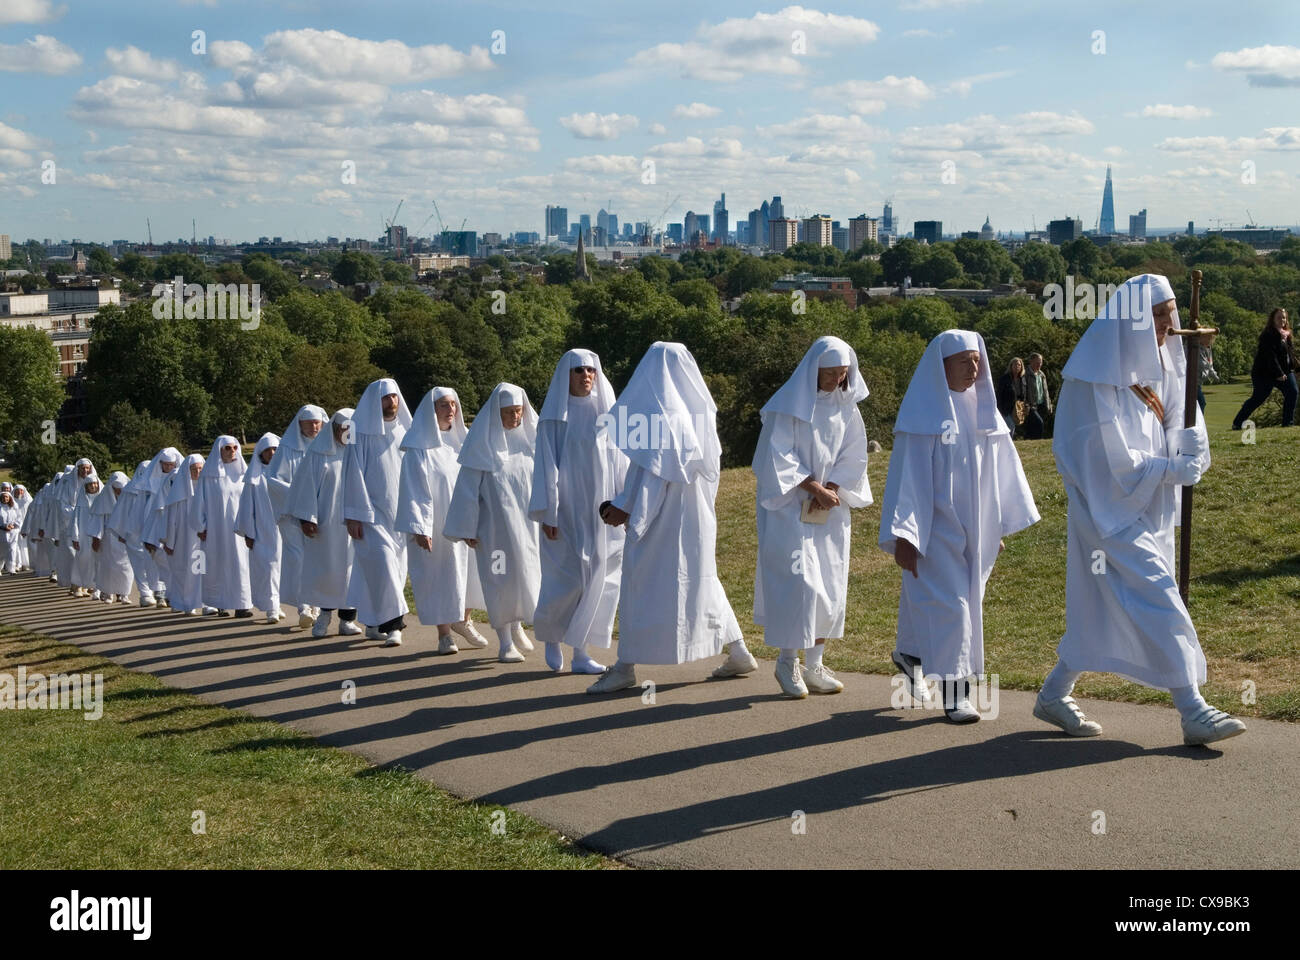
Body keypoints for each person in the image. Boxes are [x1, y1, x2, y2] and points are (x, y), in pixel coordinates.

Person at [1038, 273, 1247, 746]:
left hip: (1150, 507)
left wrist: (1192, 453)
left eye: (1170, 313)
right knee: (1158, 593)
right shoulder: (1091, 377)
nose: (1167, 325)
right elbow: (1106, 462)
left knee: (1101, 606)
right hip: (1106, 513)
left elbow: (1180, 421)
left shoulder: (1164, 365)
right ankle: (1192, 708)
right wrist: (1172, 469)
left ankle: (1054, 693)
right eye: (1157, 314)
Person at [879, 329, 1040, 722]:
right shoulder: (923, 413)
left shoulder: (983, 410)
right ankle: (956, 694)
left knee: (950, 602)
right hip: (935, 530)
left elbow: (1002, 473)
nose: (974, 368)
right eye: (964, 361)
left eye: (976, 360)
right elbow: (909, 479)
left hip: (976, 531)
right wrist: (906, 534)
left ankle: (911, 653)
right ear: (942, 365)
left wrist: (996, 527)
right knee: (954, 607)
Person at [590, 342, 755, 694]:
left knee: (638, 583)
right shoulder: (700, 412)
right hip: (695, 516)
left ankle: (625, 666)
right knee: (701, 579)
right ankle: (739, 649)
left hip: (663, 520)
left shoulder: (661, 416)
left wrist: (626, 508)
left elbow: (651, 473)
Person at [753, 336, 872, 698]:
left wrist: (832, 487)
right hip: (790, 506)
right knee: (800, 583)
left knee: (830, 587)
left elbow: (855, 453)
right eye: (830, 373)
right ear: (812, 372)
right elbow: (778, 455)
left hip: (829, 512)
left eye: (842, 373)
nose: (837, 379)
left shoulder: (847, 407)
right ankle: (787, 661)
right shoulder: (787, 406)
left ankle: (815, 662)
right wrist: (813, 487)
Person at [529, 350, 627, 674]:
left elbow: (620, 462)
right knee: (567, 580)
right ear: (566, 376)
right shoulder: (555, 418)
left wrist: (624, 505)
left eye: (590, 370)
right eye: (578, 370)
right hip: (566, 512)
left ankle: (581, 652)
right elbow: (545, 467)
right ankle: (552, 636)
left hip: (601, 514)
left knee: (600, 578)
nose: (585, 375)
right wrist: (549, 513)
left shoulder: (609, 416)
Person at [444, 383, 542, 663]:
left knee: (525, 577)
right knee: (500, 581)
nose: (515, 417)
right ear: (496, 414)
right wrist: (467, 528)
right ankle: (505, 641)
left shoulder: (530, 446)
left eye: (519, 411)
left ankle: (517, 624)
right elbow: (466, 492)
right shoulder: (481, 449)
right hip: (495, 534)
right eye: (509, 412)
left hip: (527, 531)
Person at [397, 387, 489, 655]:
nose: (450, 410)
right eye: (443, 405)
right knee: (440, 575)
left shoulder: (465, 442)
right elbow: (413, 488)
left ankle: (464, 619)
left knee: (471, 572)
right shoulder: (419, 447)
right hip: (435, 522)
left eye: (453, 405)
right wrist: (419, 527)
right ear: (431, 410)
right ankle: (444, 634)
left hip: (466, 519)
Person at [344, 379, 413, 646]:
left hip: (401, 515)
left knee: (391, 571)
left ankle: (373, 622)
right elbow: (352, 474)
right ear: (375, 402)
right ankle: (395, 625)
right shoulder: (358, 434)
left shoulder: (408, 431)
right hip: (370, 514)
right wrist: (353, 514)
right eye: (386, 398)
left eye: (394, 397)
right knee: (383, 566)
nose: (391, 402)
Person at [288, 408, 362, 637]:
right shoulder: (318, 454)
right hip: (326, 524)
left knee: (351, 572)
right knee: (328, 570)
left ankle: (348, 620)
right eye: (343, 429)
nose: (347, 434)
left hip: (354, 523)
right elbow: (305, 488)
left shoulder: (360, 453)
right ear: (334, 429)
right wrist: (306, 517)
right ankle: (324, 616)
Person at [265, 404, 327, 629]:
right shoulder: (286, 449)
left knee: (319, 558)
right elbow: (274, 481)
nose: (314, 426)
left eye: (317, 422)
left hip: (321, 512)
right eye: (309, 422)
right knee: (298, 558)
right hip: (292, 515)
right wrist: (301, 499)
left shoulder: (326, 447)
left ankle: (318, 606)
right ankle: (304, 607)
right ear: (299, 424)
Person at [192, 435, 252, 618]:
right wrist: (200, 527)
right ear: (219, 450)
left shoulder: (243, 473)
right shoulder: (208, 477)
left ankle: (242, 604)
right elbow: (198, 504)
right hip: (215, 531)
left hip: (239, 530)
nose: (232, 451)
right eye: (227, 448)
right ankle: (219, 604)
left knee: (241, 565)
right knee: (216, 565)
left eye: (235, 447)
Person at [235, 432, 284, 624]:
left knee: (290, 569)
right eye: (267, 450)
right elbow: (247, 507)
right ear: (260, 454)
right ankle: (273, 607)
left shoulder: (286, 471)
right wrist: (248, 532)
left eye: (275, 449)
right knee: (269, 568)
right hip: (264, 530)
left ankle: (297, 605)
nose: (271, 453)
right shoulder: (254, 477)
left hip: (287, 528)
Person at [1232, 308, 1297, 429]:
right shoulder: (1267, 335)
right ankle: (1237, 423)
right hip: (1264, 373)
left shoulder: (1286, 334)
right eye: (1279, 317)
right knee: (1258, 398)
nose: (1282, 319)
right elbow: (1270, 356)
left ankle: (1288, 423)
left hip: (1284, 371)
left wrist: (1295, 369)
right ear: (1272, 319)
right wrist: (1278, 373)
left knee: (1292, 392)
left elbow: (1289, 354)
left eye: (1284, 317)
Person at [163, 454, 210, 616]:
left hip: (202, 539)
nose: (197, 472)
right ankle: (185, 602)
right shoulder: (179, 494)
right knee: (184, 572)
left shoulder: (208, 489)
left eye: (200, 469)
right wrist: (169, 542)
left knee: (202, 570)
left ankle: (204, 603)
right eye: (193, 469)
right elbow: (171, 521)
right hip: (183, 540)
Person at [88, 471, 134, 604]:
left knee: (126, 567)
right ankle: (108, 593)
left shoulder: (130, 499)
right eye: (116, 489)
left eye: (121, 489)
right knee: (108, 567)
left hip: (125, 538)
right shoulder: (101, 500)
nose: (119, 492)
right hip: (108, 539)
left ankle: (124, 594)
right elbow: (97, 521)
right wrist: (96, 539)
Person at [69, 471, 103, 597]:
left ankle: (95, 587)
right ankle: (78, 585)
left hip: (98, 535)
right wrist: (75, 537)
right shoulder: (80, 502)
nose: (93, 486)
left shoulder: (102, 500)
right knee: (81, 560)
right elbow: (76, 521)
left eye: (95, 484)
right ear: (86, 486)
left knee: (97, 561)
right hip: (83, 536)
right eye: (90, 484)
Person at [1023, 353, 1052, 439]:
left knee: (1033, 426)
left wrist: (1049, 404)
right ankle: (1039, 441)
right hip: (1031, 405)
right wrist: (1026, 404)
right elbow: (1023, 391)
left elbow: (1045, 391)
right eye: (1037, 362)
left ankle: (1031, 441)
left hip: (1041, 404)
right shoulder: (1025, 374)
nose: (1039, 364)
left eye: (1040, 362)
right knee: (1039, 423)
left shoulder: (1042, 374)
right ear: (1031, 361)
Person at [996, 357, 1027, 436]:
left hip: (1017, 408)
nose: (1017, 366)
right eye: (1015, 364)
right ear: (1011, 366)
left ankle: (1008, 444)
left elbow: (1023, 394)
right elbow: (999, 395)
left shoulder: (1022, 379)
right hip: (1005, 408)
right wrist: (1000, 410)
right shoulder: (1004, 378)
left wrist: (1024, 406)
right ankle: (1009, 445)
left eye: (1019, 365)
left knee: (1011, 427)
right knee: (1011, 426)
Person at [0, 487, 20, 576]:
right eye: (3, 497)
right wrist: (3, 527)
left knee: (12, 550)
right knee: (2, 552)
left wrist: (13, 525)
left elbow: (19, 518)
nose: (5, 499)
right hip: (1, 533)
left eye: (7, 497)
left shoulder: (14, 507)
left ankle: (11, 569)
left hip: (13, 533)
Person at [12, 484, 31, 572]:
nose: (19, 492)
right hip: (14, 527)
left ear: (24, 491)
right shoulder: (11, 502)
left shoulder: (28, 501)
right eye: (17, 490)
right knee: (16, 546)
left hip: (27, 527)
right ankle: (17, 564)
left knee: (25, 546)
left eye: (21, 490)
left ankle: (26, 564)